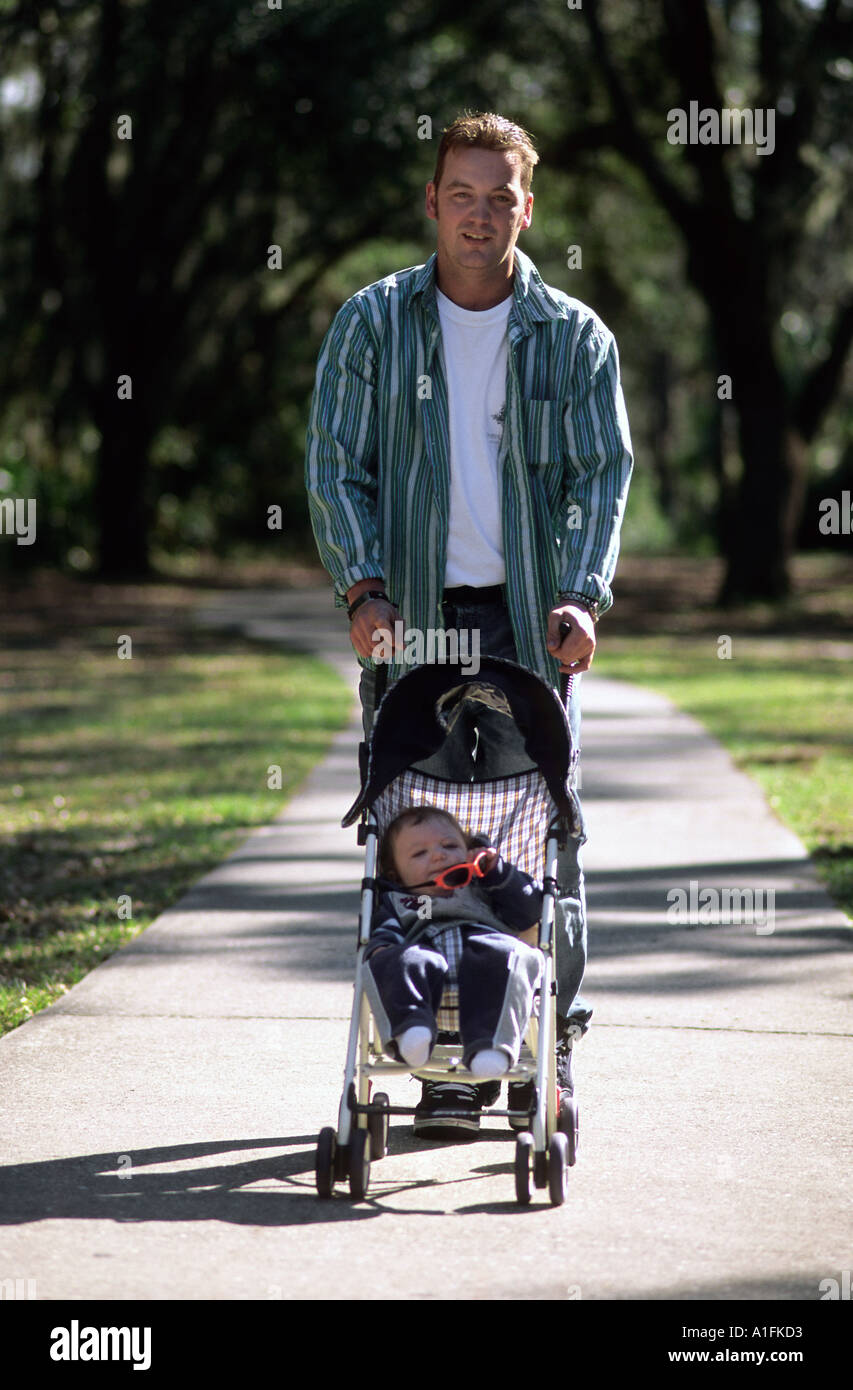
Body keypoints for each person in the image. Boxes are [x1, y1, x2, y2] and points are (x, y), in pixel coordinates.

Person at [305, 110, 634, 1134]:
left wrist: (581, 592)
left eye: (500, 198)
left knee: (538, 837)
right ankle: (442, 1052)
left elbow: (599, 476)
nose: (479, 215)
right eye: (462, 195)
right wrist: (362, 588)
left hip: (529, 626)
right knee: (416, 833)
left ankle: (545, 1037)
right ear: (432, 202)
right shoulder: (373, 323)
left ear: (526, 209)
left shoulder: (574, 338)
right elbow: (335, 465)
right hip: (410, 622)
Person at [365, 806, 543, 1136]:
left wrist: (497, 872)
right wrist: (382, 951)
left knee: (511, 954)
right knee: (395, 959)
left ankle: (491, 1046)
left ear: (467, 848)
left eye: (449, 846)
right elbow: (384, 936)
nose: (438, 856)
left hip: (485, 959)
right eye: (419, 853)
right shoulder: (399, 900)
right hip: (427, 968)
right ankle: (411, 1030)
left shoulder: (484, 886)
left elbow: (530, 912)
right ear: (396, 874)